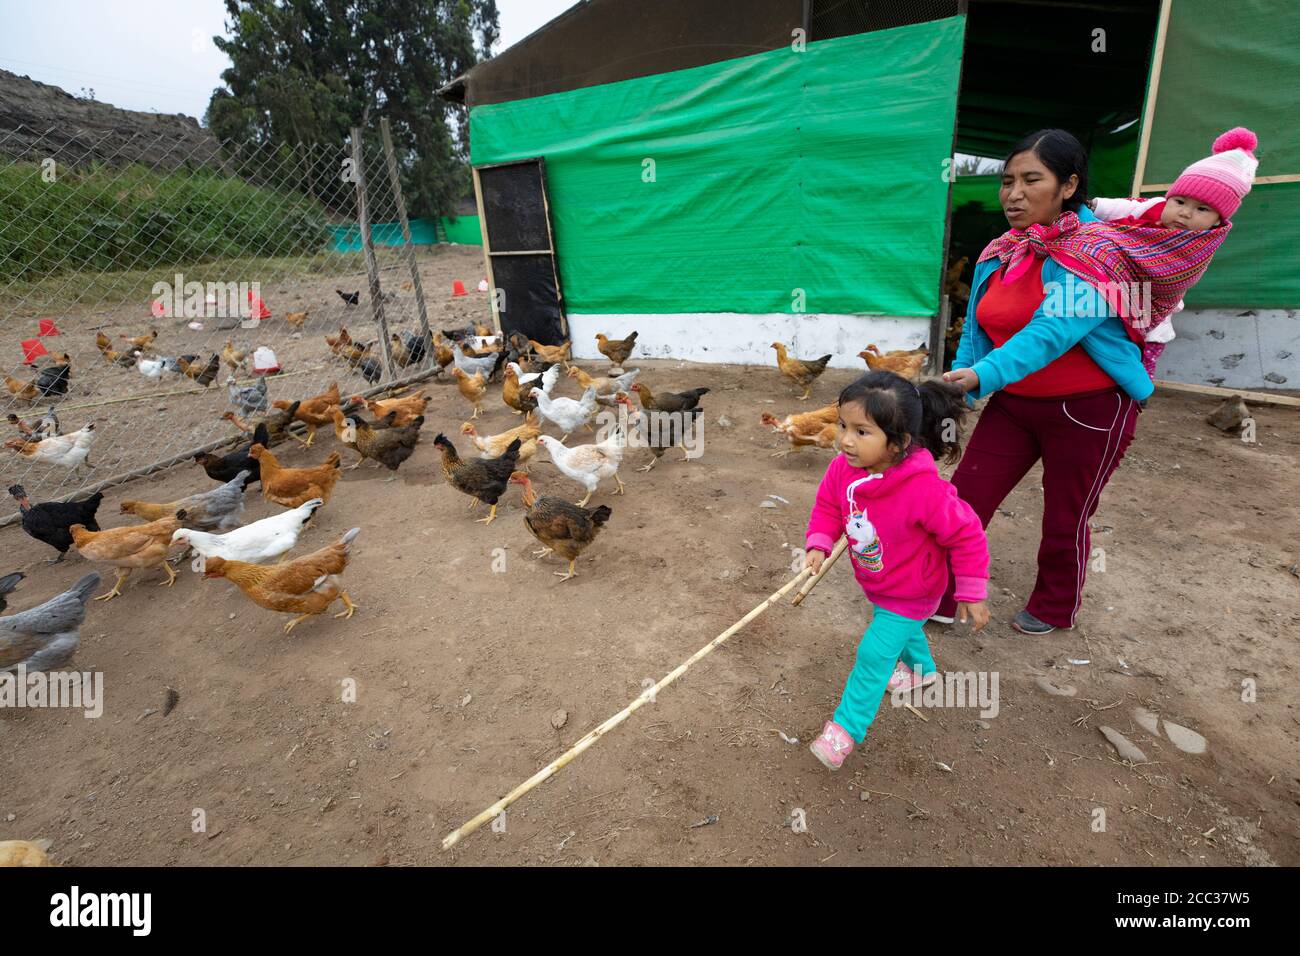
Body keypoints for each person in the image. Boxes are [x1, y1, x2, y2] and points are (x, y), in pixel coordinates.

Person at [937, 129, 1151, 635]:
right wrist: (961, 387)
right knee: (962, 501)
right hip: (1014, 405)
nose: (1013, 193)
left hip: (1089, 408)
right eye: (1007, 181)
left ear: (1069, 185)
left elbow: (1051, 332)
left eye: (1032, 180)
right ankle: (940, 594)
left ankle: (1055, 605)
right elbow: (976, 326)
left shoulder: (1099, 252)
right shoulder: (1001, 250)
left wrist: (983, 375)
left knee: (1064, 517)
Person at [802, 370, 989, 770]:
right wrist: (819, 542)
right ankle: (921, 672)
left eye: (862, 432)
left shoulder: (924, 489)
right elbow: (828, 508)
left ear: (899, 443)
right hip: (879, 581)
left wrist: (971, 591)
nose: (846, 440)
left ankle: (845, 731)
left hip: (914, 591)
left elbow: (967, 532)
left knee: (874, 652)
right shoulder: (842, 470)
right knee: (899, 630)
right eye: (843, 426)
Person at [1088, 127, 1259, 374]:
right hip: (1111, 293)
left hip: (1155, 309)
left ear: (1216, 221)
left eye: (1202, 209)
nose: (1185, 213)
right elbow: (1122, 208)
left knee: (1144, 355)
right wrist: (1094, 205)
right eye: (1179, 202)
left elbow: (1174, 278)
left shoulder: (1202, 243)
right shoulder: (1155, 207)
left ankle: (1140, 389)